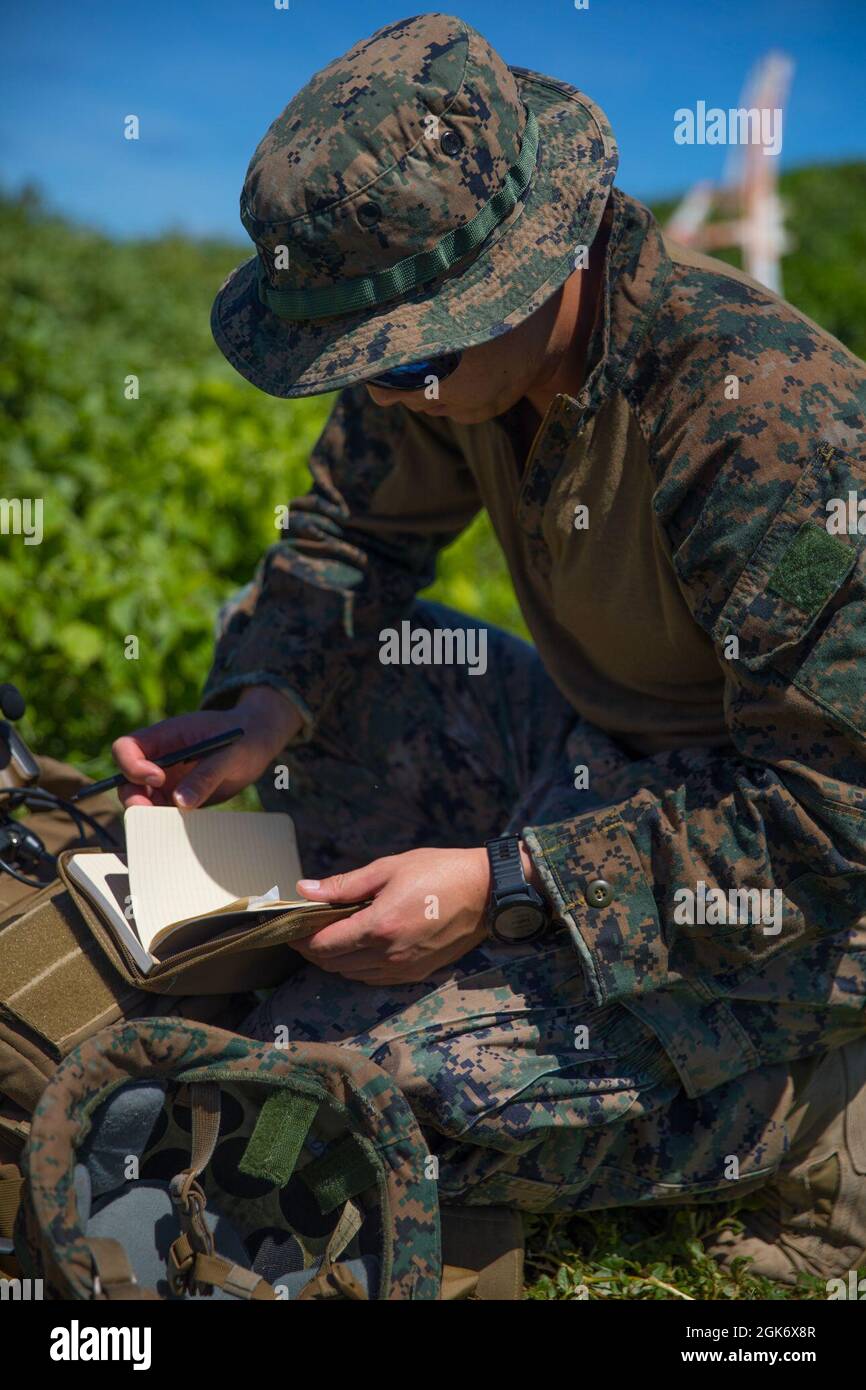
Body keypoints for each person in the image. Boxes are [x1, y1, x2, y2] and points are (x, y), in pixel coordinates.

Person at [112, 13, 866, 1284]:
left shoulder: (768, 427)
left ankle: (810, 1120)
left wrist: (502, 887)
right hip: (594, 752)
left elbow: (833, 815)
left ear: (530, 271)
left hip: (798, 886)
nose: (388, 391)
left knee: (359, 1086)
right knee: (349, 691)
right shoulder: (439, 355)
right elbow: (350, 534)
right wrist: (268, 702)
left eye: (402, 361)